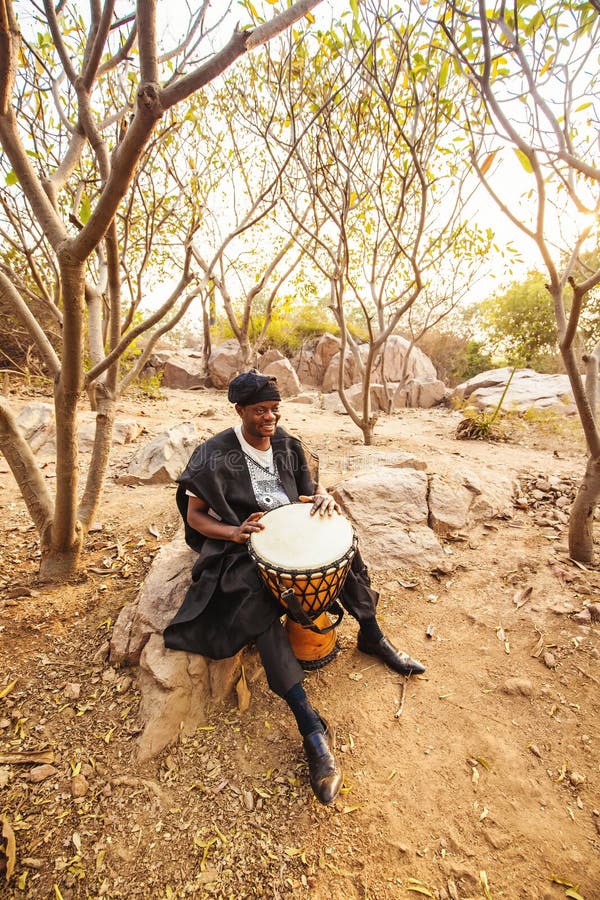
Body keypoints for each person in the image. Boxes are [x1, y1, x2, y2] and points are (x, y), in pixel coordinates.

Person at [164, 370, 425, 805]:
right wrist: (231, 533)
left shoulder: (286, 443)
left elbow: (309, 488)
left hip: (290, 531)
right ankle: (309, 726)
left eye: (274, 409)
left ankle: (372, 637)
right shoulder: (215, 455)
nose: (270, 417)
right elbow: (195, 516)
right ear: (240, 410)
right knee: (257, 600)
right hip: (242, 543)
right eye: (261, 411)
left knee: (343, 549)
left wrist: (322, 496)